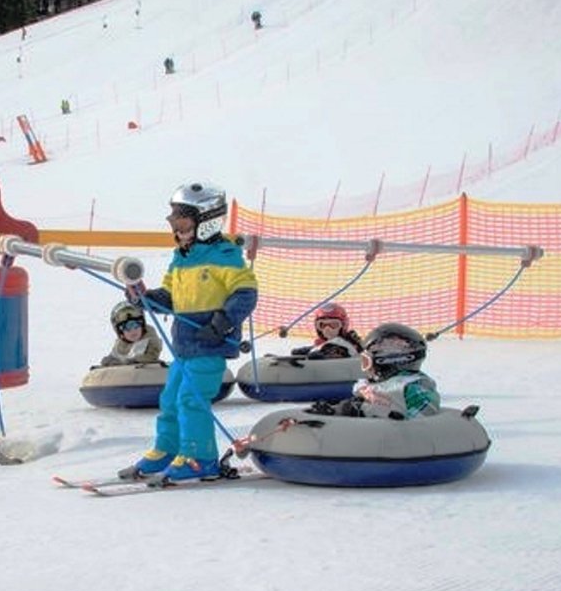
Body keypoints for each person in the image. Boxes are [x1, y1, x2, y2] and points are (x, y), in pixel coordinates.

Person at [122, 182, 258, 482]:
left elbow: (246, 293)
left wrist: (222, 322)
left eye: (184, 223)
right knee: (170, 398)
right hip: (183, 347)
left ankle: (200, 457)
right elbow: (171, 298)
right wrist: (143, 297)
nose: (178, 229)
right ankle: (168, 451)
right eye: (174, 223)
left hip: (210, 344)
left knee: (191, 399)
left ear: (207, 222)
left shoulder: (225, 254)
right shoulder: (181, 258)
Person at [317, 322, 440, 420]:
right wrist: (337, 409)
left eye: (367, 363)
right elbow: (360, 403)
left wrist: (365, 411)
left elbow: (422, 426)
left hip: (394, 445)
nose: (367, 369)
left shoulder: (413, 388)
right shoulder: (371, 385)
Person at [289, 302, 364, 360]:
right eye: (322, 325)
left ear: (343, 325)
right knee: (297, 352)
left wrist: (322, 356)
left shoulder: (346, 343)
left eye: (333, 325)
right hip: (325, 372)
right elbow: (325, 347)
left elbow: (337, 353)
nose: (327, 329)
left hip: (343, 373)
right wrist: (309, 350)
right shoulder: (325, 344)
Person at [99, 301, 163, 367]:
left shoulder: (150, 341)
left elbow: (149, 357)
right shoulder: (120, 345)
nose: (133, 330)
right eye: (126, 327)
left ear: (142, 325)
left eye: (136, 325)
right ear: (120, 332)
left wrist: (123, 363)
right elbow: (114, 357)